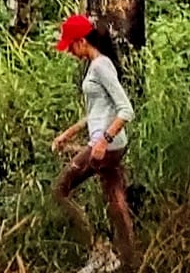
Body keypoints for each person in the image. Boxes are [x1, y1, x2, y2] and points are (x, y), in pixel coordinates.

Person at [51, 14, 138, 273]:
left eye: (71, 46)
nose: (70, 52)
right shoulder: (97, 65)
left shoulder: (101, 66)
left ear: (81, 41)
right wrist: (69, 133)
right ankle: (128, 262)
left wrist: (103, 141)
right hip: (109, 144)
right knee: (116, 202)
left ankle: (99, 251)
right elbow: (98, 111)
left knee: (60, 191)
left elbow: (126, 110)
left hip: (106, 146)